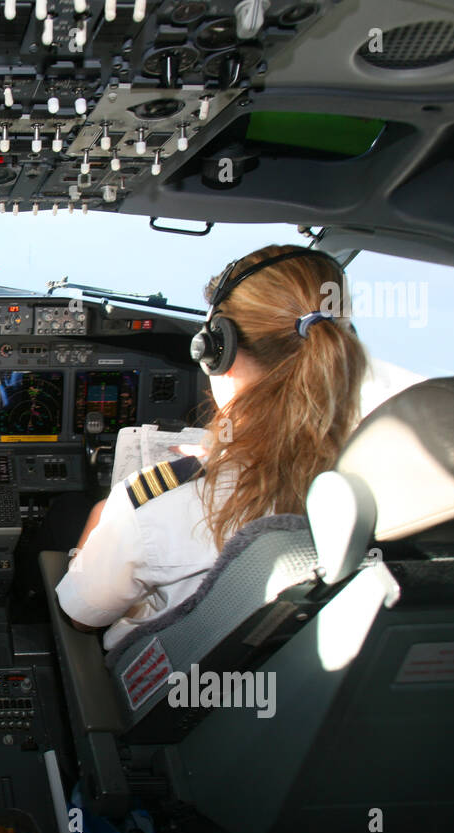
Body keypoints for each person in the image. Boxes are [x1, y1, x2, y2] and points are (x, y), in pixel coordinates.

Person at [54, 245, 368, 651]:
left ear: (219, 350)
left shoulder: (153, 504)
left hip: (154, 682)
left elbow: (81, 616)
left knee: (66, 513)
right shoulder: (371, 475)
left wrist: (105, 511)